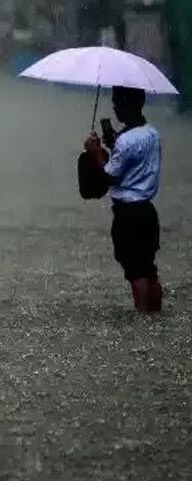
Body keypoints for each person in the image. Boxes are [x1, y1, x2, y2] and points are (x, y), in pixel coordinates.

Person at [83, 86, 163, 313]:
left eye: (117, 102)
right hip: (148, 211)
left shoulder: (125, 141)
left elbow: (110, 177)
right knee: (149, 269)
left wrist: (95, 152)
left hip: (128, 214)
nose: (115, 107)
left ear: (128, 103)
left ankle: (143, 319)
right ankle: (155, 317)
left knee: (135, 272)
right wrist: (113, 144)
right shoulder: (152, 133)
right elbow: (135, 158)